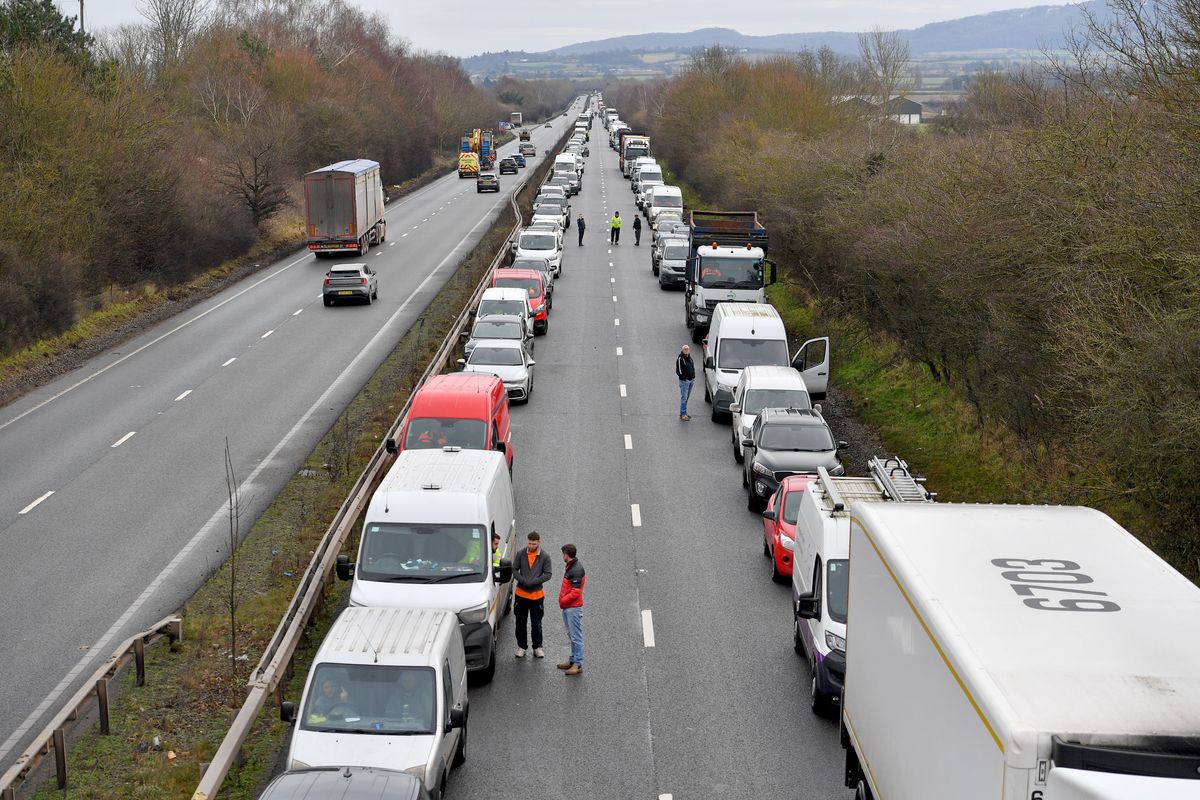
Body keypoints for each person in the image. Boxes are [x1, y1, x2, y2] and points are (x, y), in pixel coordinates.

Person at [513, 531, 553, 658]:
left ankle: (537, 647)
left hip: (537, 597)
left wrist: (533, 582)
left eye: (533, 544)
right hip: (521, 595)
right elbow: (514, 569)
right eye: (529, 543)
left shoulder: (545, 556)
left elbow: (548, 574)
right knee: (520, 623)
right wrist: (523, 581)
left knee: (537, 623)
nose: (531, 546)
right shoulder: (520, 553)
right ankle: (522, 647)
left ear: (539, 542)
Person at [557, 544, 585, 676]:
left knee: (576, 637)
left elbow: (576, 592)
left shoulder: (576, 569)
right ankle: (573, 660)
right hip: (568, 607)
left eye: (563, 554)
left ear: (566, 555)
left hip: (572, 608)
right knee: (572, 635)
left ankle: (577, 664)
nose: (562, 556)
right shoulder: (571, 566)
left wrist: (562, 601)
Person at [675, 344, 695, 421]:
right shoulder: (680, 359)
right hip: (684, 381)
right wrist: (684, 379)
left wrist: (693, 376)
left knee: (686, 397)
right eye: (685, 349)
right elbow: (679, 371)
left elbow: (692, 367)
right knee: (684, 398)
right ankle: (683, 415)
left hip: (691, 380)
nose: (686, 350)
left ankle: (684, 413)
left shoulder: (690, 358)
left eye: (687, 349)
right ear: (682, 350)